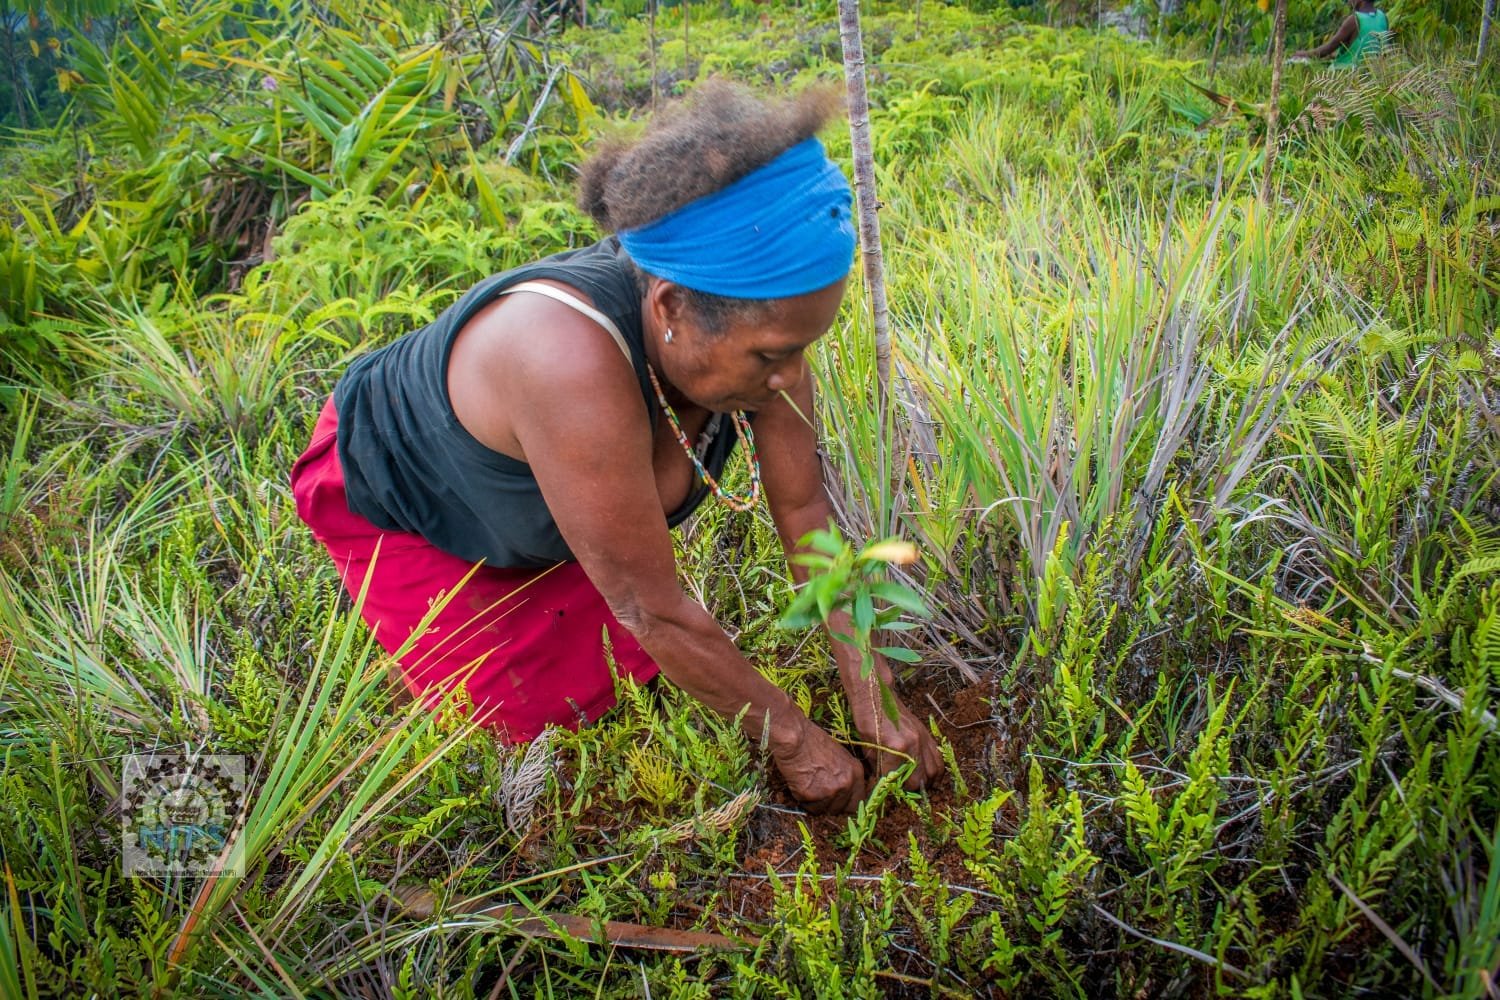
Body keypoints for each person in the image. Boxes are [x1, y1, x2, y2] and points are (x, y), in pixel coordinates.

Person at [290, 82, 944, 814]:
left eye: (804, 351)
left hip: (561, 480)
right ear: (669, 307)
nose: (791, 379)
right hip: (405, 492)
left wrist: (872, 693)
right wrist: (796, 743)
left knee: (631, 675)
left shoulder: (758, 335)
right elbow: (649, 606)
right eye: (771, 358)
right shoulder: (564, 363)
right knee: (545, 735)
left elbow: (805, 512)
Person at [1292, 0, 1390, 65]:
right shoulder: (1383, 17)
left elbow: (1328, 48)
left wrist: (1304, 53)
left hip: (1349, 73)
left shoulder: (1354, 19)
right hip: (1375, 72)